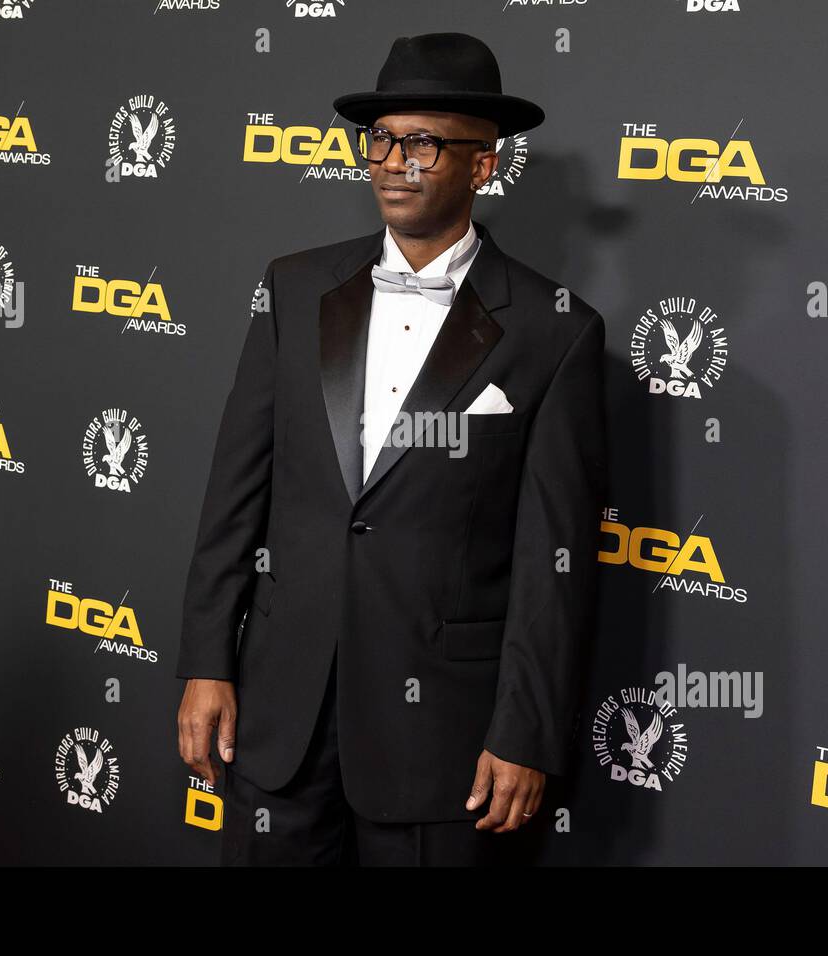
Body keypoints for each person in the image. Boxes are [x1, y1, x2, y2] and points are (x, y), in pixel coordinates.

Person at [176, 31, 607, 865]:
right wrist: (205, 660)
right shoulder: (294, 288)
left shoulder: (557, 333)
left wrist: (526, 731)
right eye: (381, 139)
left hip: (444, 743)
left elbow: (555, 558)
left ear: (482, 166)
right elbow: (235, 492)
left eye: (424, 142)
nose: (393, 161)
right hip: (281, 717)